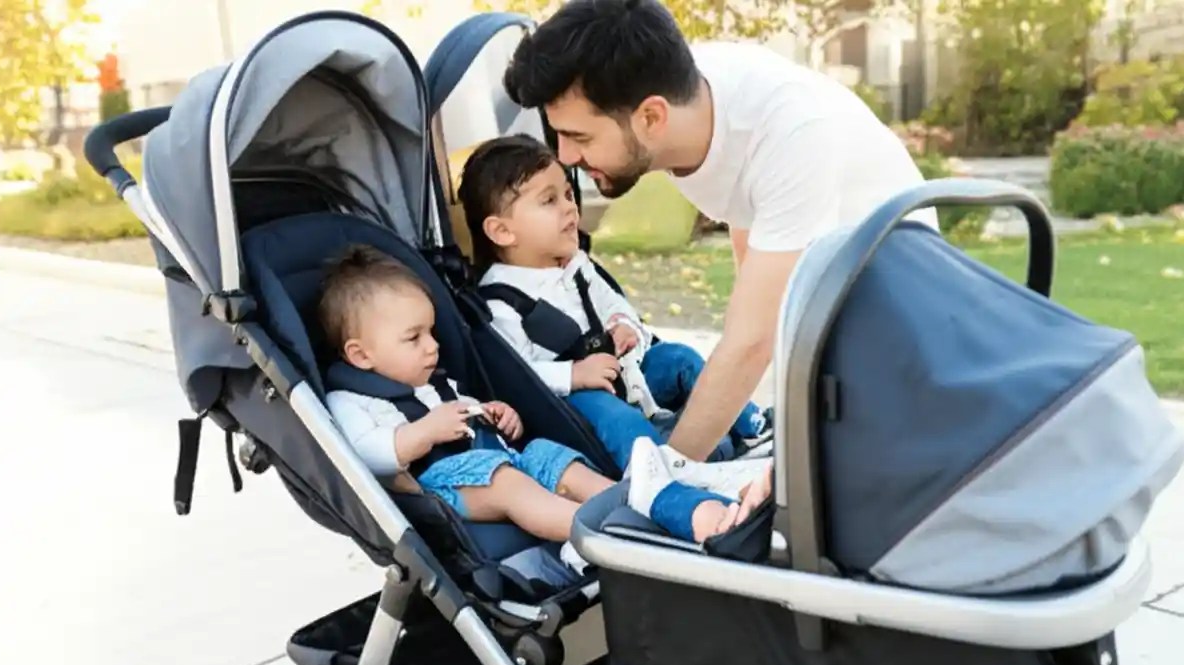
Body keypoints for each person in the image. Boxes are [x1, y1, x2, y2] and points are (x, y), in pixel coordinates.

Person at [502, 0, 937, 461]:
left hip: (895, 320)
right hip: (823, 307)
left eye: (580, 138)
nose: (565, 157)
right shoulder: (684, 98)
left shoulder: (792, 138)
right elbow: (747, 240)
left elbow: (754, 341)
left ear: (651, 118)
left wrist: (666, 478)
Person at [317, 244, 771, 558]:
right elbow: (367, 455)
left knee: (555, 460)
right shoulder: (350, 399)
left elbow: (468, 414)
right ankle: (602, 537)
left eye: (432, 332)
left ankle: (659, 505)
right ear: (361, 354)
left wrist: (493, 415)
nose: (432, 346)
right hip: (438, 484)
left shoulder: (431, 379)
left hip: (495, 460)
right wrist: (423, 432)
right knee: (510, 486)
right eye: (413, 338)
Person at [458, 133, 772, 473]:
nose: (569, 206)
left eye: (567, 193)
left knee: (679, 359)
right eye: (549, 201)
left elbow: (613, 305)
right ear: (502, 232)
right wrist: (574, 374)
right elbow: (516, 375)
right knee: (618, 419)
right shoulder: (501, 301)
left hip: (626, 374)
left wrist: (623, 324)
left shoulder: (577, 265)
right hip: (577, 402)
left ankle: (753, 429)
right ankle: (659, 474)